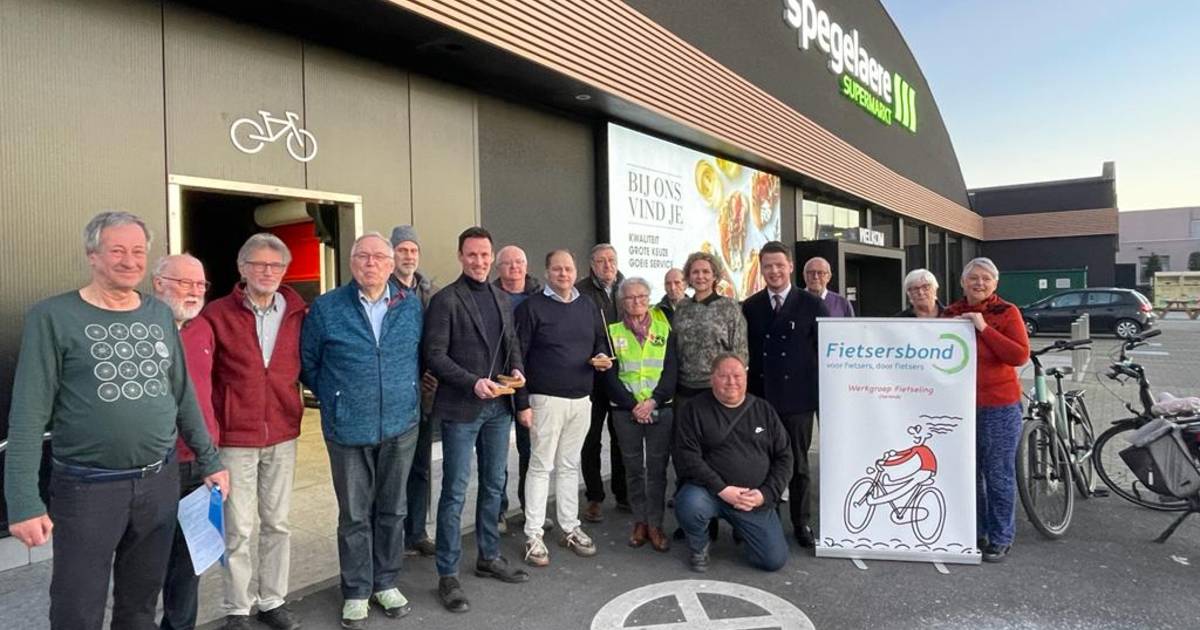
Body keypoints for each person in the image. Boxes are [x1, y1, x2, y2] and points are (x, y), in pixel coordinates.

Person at [4, 211, 229, 630]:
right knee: (77, 607)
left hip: (158, 483)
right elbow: (28, 415)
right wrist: (22, 500)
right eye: (118, 250)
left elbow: (182, 396)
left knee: (141, 604)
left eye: (138, 251)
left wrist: (211, 460)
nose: (130, 261)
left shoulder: (159, 316)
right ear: (92, 254)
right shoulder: (52, 317)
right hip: (88, 489)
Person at [301, 232, 423, 628]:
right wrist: (337, 398)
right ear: (352, 263)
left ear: (391, 265)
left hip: (400, 424)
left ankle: (385, 581)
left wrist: (407, 394)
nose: (370, 263)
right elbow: (309, 364)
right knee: (354, 514)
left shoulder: (410, 306)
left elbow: (419, 357)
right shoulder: (326, 307)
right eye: (362, 256)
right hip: (347, 427)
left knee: (392, 509)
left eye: (378, 257)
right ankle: (355, 589)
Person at [423, 227, 530, 613]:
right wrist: (473, 383)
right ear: (460, 256)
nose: (480, 261)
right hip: (461, 408)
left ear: (492, 255)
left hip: (498, 409)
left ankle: (489, 555)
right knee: (454, 490)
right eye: (472, 255)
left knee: (494, 483)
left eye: (485, 255)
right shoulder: (445, 300)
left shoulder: (502, 297)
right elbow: (435, 355)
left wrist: (516, 373)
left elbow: (512, 344)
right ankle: (447, 574)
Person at [203, 234, 306, 630]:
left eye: (276, 266)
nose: (268, 272)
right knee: (239, 528)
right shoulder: (216, 314)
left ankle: (273, 600)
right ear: (242, 268)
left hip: (282, 432)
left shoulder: (298, 312)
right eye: (259, 264)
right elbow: (204, 376)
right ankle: (238, 608)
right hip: (235, 437)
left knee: (277, 523)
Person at [514, 249, 613, 567]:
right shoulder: (532, 307)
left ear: (576, 271)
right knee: (541, 466)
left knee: (570, 466)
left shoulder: (588, 305)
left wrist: (600, 357)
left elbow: (600, 341)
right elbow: (517, 356)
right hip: (545, 399)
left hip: (581, 398)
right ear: (547, 272)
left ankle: (570, 527)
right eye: (557, 269)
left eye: (568, 269)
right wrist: (522, 401)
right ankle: (534, 535)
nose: (563, 274)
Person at [941, 257, 1029, 563]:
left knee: (998, 474)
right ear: (963, 282)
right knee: (969, 474)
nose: (979, 284)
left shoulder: (1006, 312)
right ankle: (975, 529)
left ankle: (1001, 536)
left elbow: (1018, 355)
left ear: (995, 284)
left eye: (986, 279)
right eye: (973, 279)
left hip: (999, 407)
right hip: (961, 407)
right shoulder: (950, 312)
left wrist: (983, 329)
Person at [741, 241, 827, 548]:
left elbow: (825, 354)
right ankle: (768, 518)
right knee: (762, 462)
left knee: (798, 464)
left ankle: (801, 521)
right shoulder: (750, 307)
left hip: (799, 399)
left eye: (779, 265)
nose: (774, 271)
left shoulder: (812, 305)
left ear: (790, 266)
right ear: (761, 270)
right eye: (767, 266)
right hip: (762, 399)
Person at [672, 354, 792, 573]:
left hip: (753, 498)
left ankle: (746, 532)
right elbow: (687, 457)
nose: (731, 382)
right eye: (723, 376)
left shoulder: (764, 410)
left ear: (746, 377)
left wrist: (765, 494)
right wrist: (722, 489)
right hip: (709, 493)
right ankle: (700, 545)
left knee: (773, 560)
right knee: (689, 504)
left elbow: (784, 456)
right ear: (712, 379)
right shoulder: (694, 410)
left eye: (737, 375)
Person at [154, 254, 220, 630]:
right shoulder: (141, 328)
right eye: (184, 283)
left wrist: (215, 453)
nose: (194, 291)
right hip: (153, 466)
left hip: (199, 463)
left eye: (200, 284)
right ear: (158, 282)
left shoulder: (204, 330)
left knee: (189, 560)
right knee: (146, 561)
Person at [604, 277, 679, 552]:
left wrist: (653, 402)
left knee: (658, 470)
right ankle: (640, 522)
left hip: (660, 408)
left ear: (649, 299)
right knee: (633, 469)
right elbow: (608, 376)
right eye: (630, 298)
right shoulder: (612, 332)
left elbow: (671, 370)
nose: (636, 302)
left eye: (641, 297)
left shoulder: (665, 328)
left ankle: (656, 524)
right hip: (625, 411)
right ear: (622, 302)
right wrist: (633, 405)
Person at [391, 225, 441, 558]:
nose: (409, 256)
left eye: (413, 250)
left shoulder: (430, 291)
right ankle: (391, 534)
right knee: (393, 470)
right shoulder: (384, 290)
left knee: (421, 466)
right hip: (395, 393)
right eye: (402, 250)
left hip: (425, 392)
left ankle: (417, 531)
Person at [577, 243, 629, 524]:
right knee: (591, 438)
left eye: (611, 260)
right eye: (601, 261)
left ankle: (624, 494)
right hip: (592, 375)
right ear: (592, 265)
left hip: (622, 374)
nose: (607, 266)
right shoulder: (581, 291)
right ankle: (595, 497)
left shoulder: (626, 287)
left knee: (622, 436)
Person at [493, 244, 541, 531]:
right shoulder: (489, 296)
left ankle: (529, 507)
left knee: (529, 449)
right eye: (508, 263)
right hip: (497, 384)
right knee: (497, 455)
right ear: (498, 268)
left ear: (526, 265)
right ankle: (498, 511)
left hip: (529, 383)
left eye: (519, 262)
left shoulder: (538, 297)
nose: (514, 267)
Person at [672, 250, 748, 412]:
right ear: (689, 277)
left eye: (706, 272)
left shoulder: (729, 307)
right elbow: (675, 348)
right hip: (684, 390)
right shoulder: (681, 307)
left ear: (715, 276)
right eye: (695, 272)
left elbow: (740, 352)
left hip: (716, 389)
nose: (700, 276)